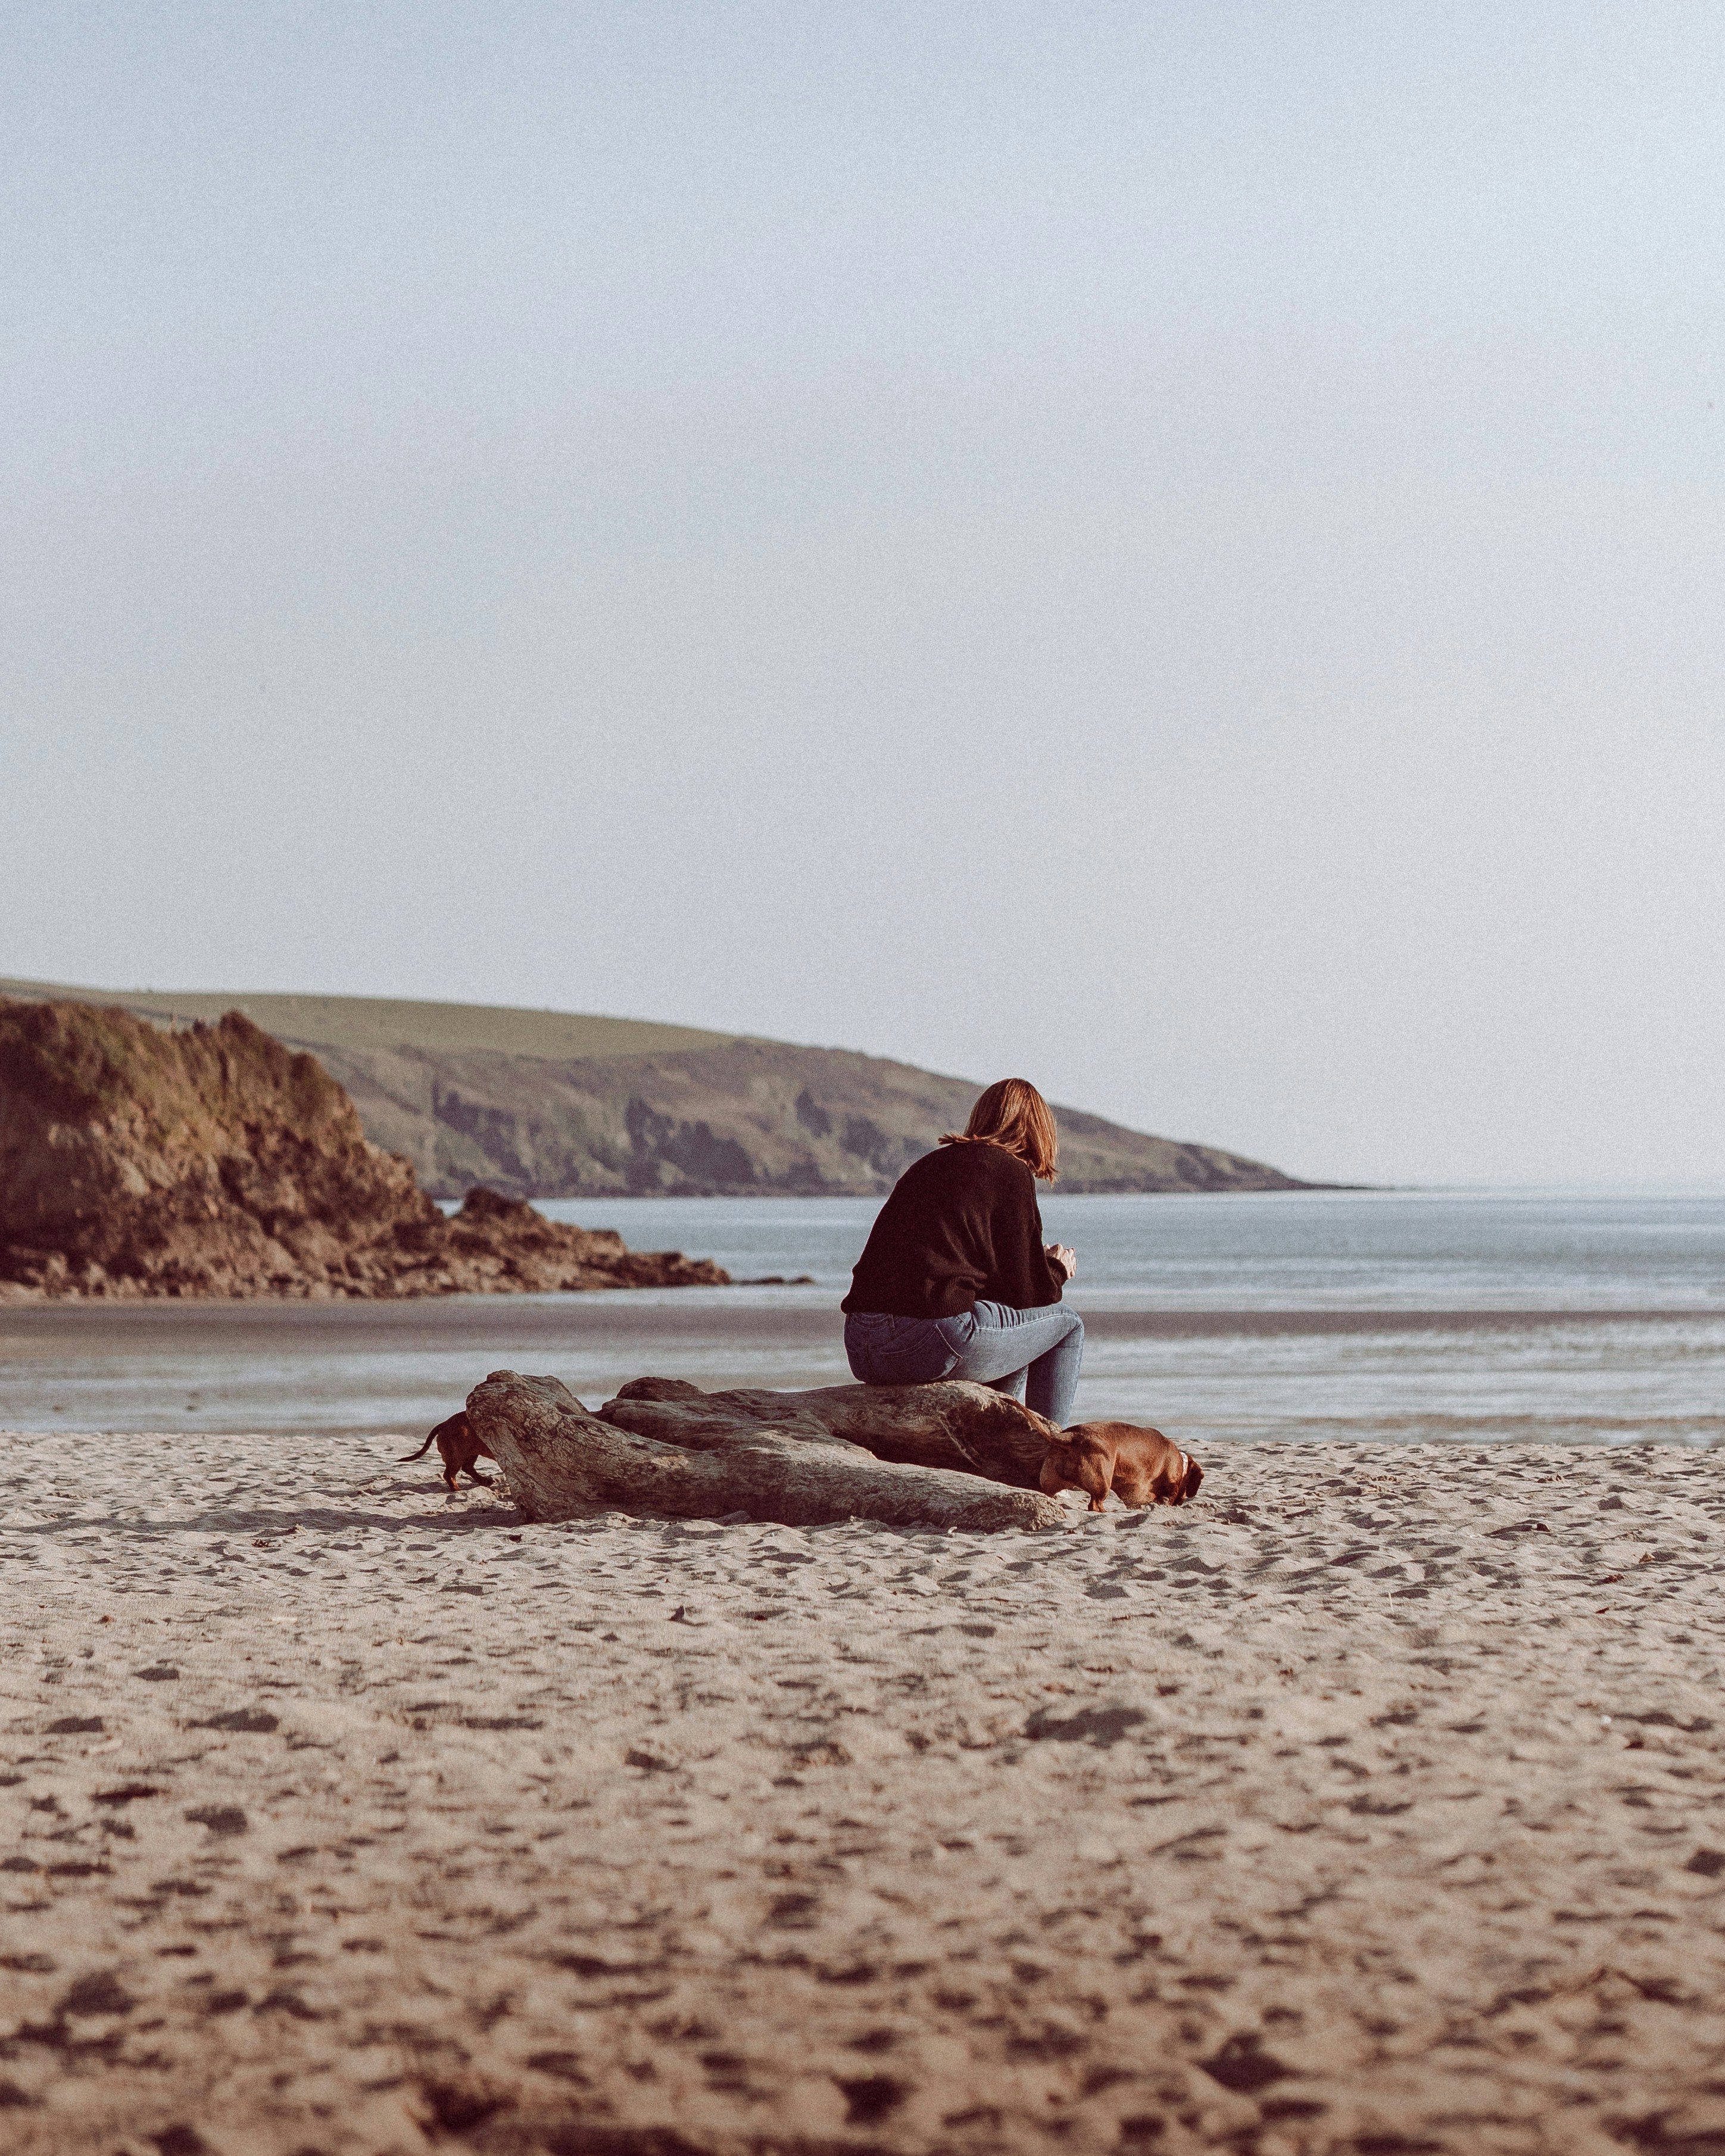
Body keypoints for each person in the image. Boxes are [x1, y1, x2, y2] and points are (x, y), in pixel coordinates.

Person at [841, 1078, 1084, 1428]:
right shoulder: (1010, 1171)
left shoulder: (929, 1164)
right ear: (1039, 1131)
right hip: (926, 1341)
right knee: (1067, 1325)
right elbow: (1029, 1293)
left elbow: (968, 1274)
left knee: (1004, 1322)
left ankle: (998, 1438)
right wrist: (1055, 1267)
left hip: (862, 1345)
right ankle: (1050, 1452)